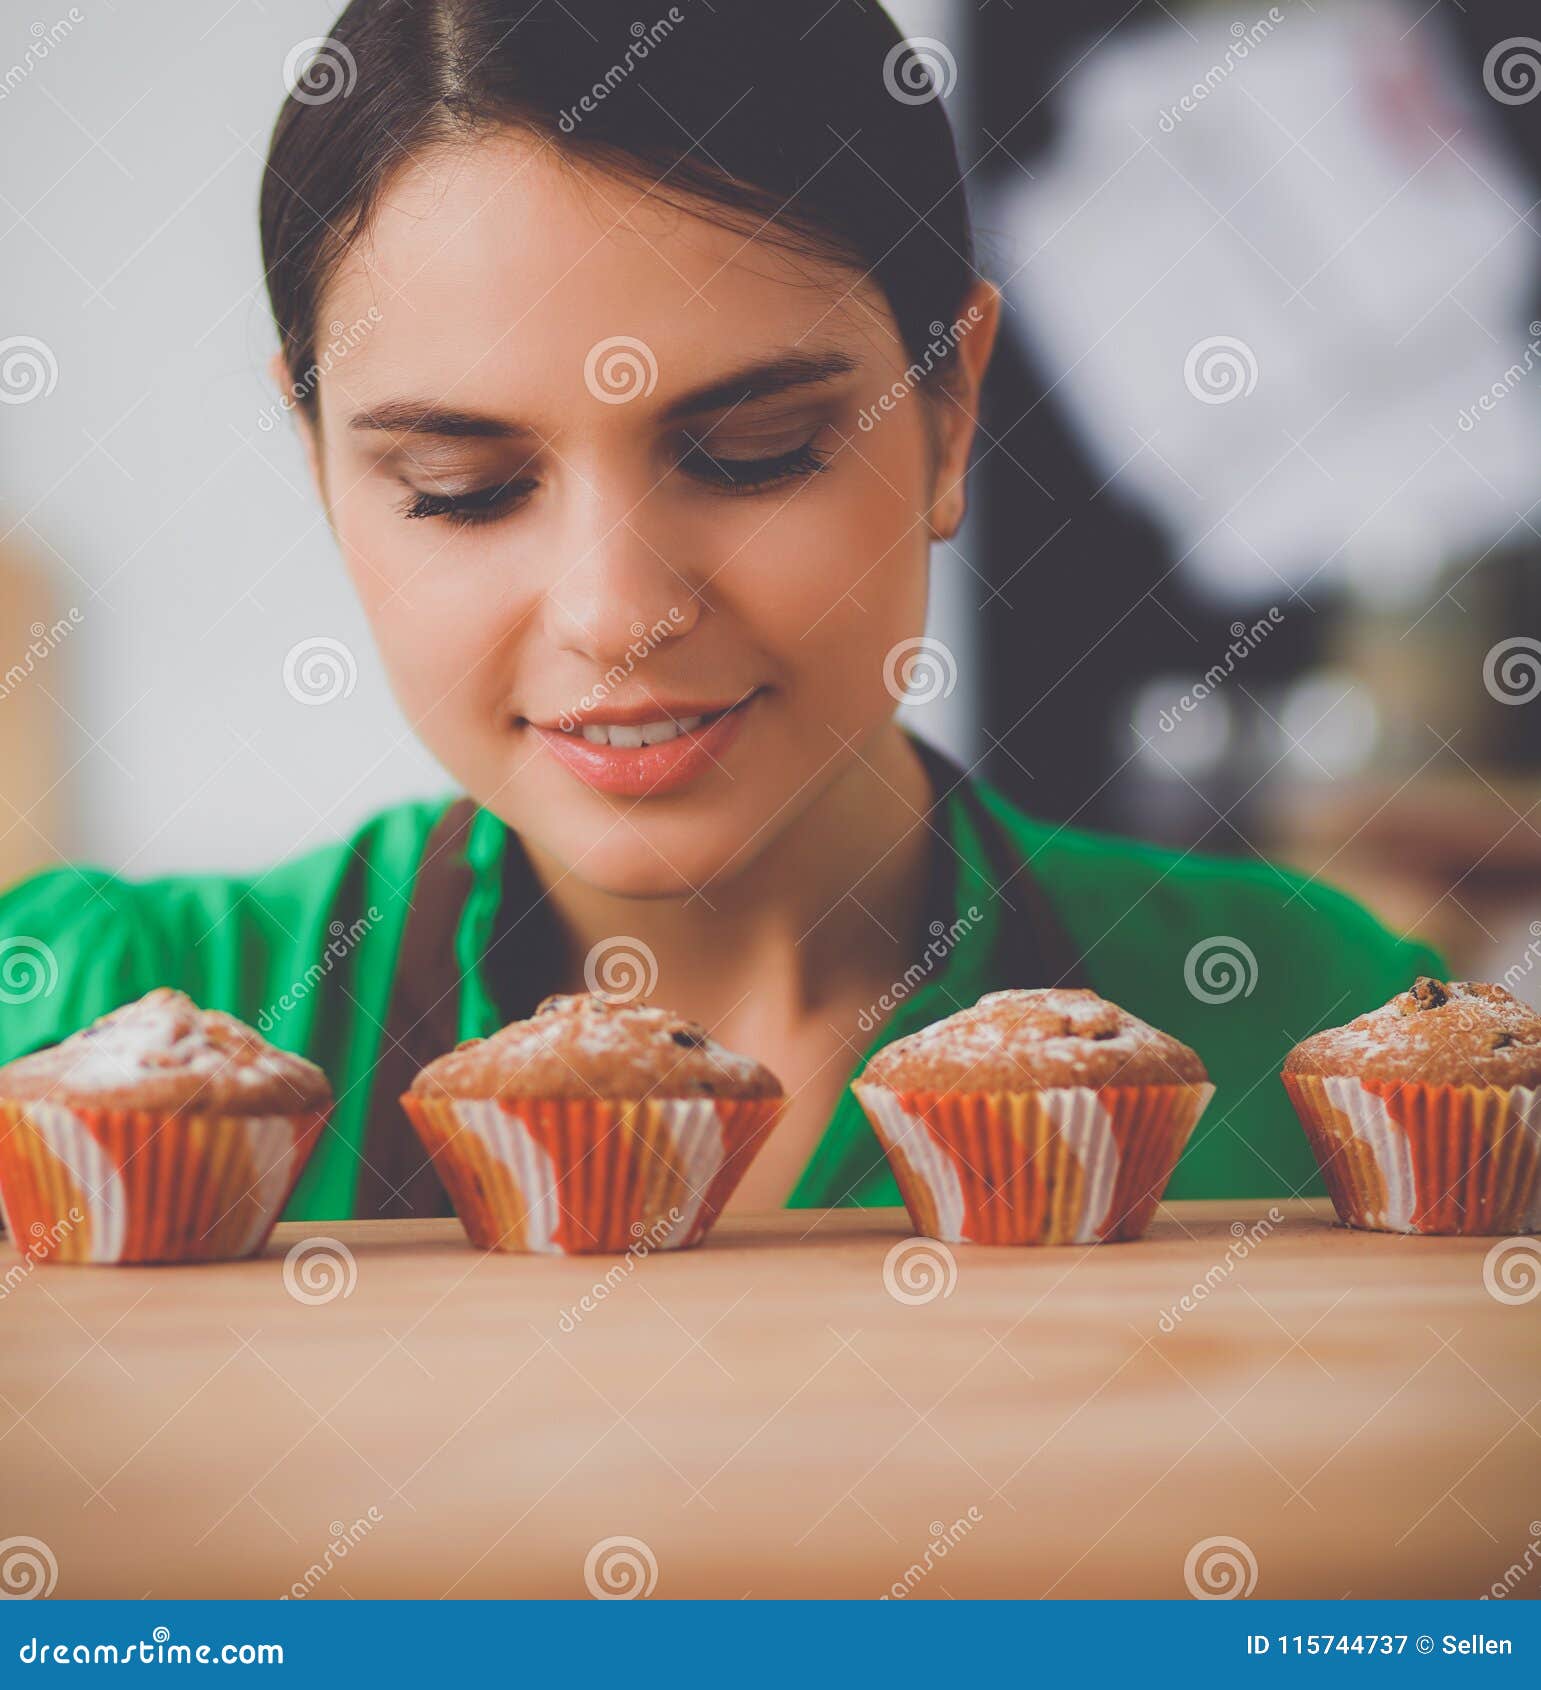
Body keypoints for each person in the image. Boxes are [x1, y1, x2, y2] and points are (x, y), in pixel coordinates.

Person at [0, 0, 1439, 1222]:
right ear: (319, 467)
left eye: (752, 454)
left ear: (947, 414)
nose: (617, 612)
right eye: (458, 486)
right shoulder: (75, 1012)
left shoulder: (1335, 1033)